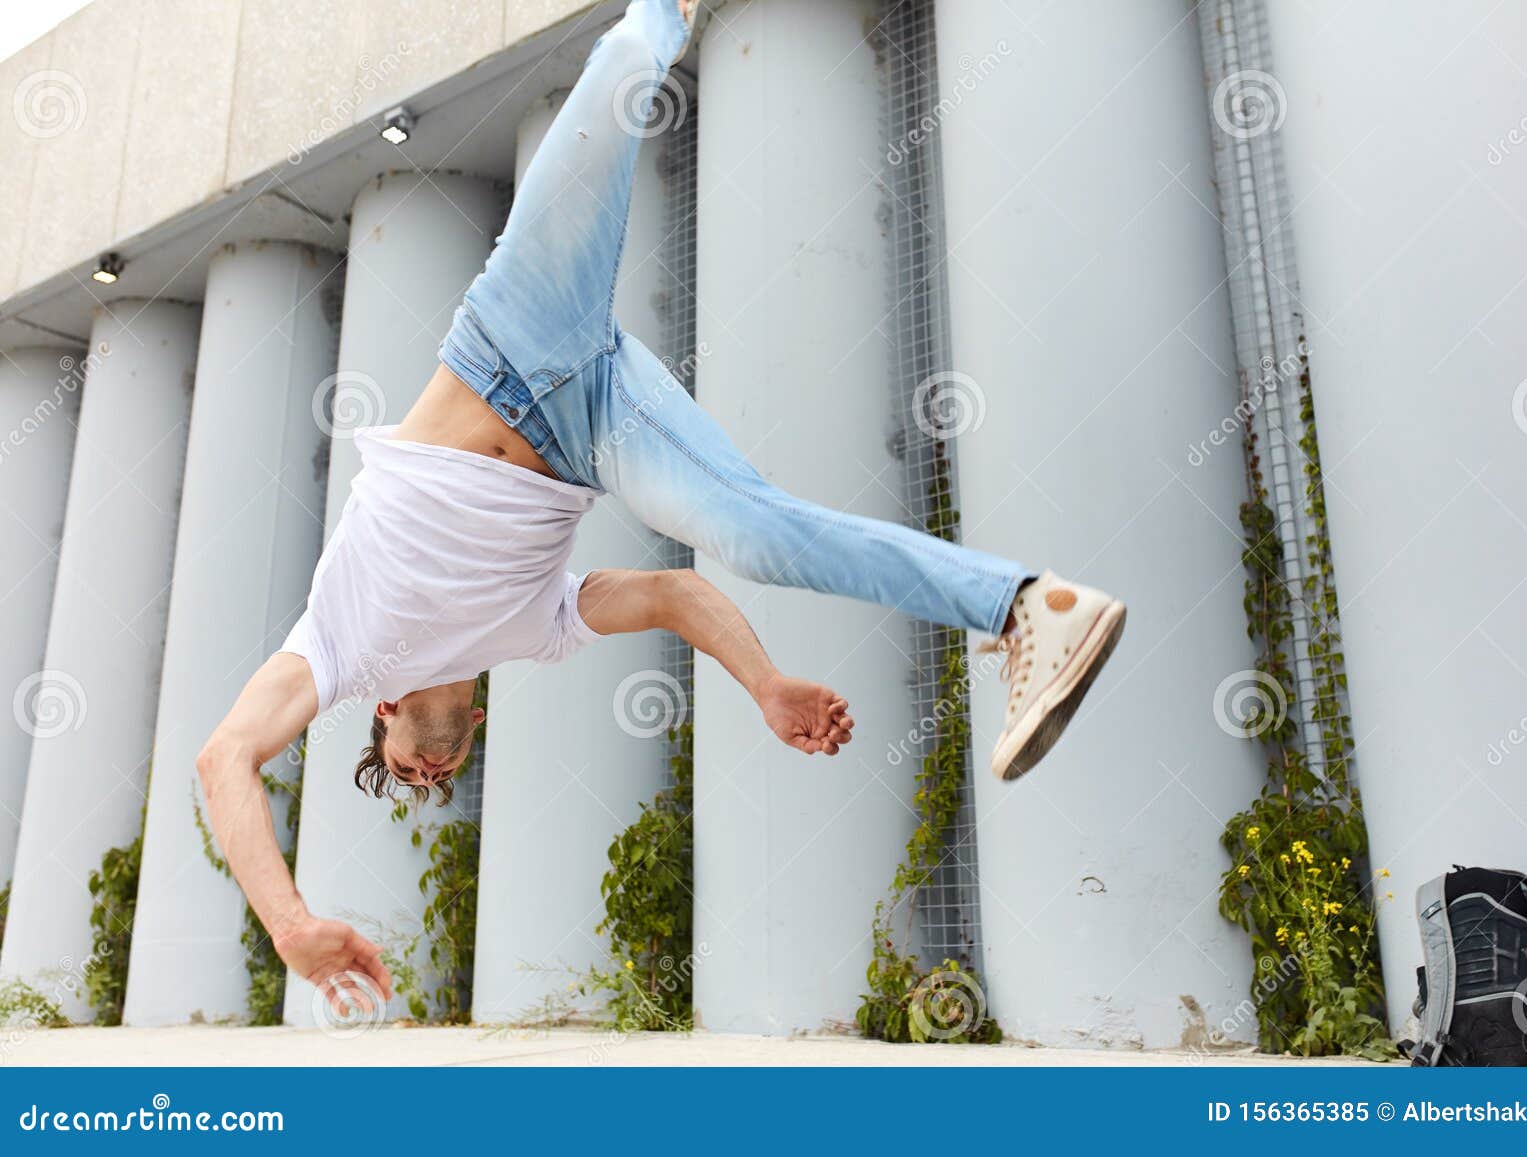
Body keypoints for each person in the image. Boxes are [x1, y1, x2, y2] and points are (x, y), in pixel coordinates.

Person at [196, 0, 1125, 1010]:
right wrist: (765, 684)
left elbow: (224, 756)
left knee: (630, 58)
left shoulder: (338, 647)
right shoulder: (532, 630)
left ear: (381, 713)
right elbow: (677, 594)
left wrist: (290, 924)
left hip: (512, 333)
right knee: (754, 535)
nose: (429, 774)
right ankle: (1026, 608)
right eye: (435, 783)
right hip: (599, 424)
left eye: (403, 770)